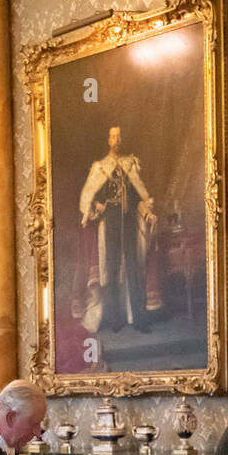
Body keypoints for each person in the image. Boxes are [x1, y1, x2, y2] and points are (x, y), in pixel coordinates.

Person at [78, 125, 158, 334]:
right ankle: (115, 319)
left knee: (134, 269)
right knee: (111, 270)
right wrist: (96, 205)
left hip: (129, 220)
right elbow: (89, 196)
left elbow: (139, 197)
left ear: (122, 140)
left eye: (119, 136)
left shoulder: (131, 164)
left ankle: (139, 319)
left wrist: (148, 213)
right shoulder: (100, 167)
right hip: (110, 220)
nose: (116, 139)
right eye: (113, 136)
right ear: (108, 140)